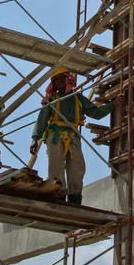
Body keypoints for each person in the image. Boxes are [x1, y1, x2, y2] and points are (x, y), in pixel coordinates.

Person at [30, 67, 119, 205]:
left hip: (72, 136)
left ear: (68, 79)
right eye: (56, 80)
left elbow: (95, 113)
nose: (59, 82)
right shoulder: (51, 100)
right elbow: (41, 120)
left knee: (77, 168)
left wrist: (112, 105)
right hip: (55, 135)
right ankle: (58, 195)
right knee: (56, 167)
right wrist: (35, 139)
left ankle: (75, 198)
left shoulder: (78, 98)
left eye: (61, 78)